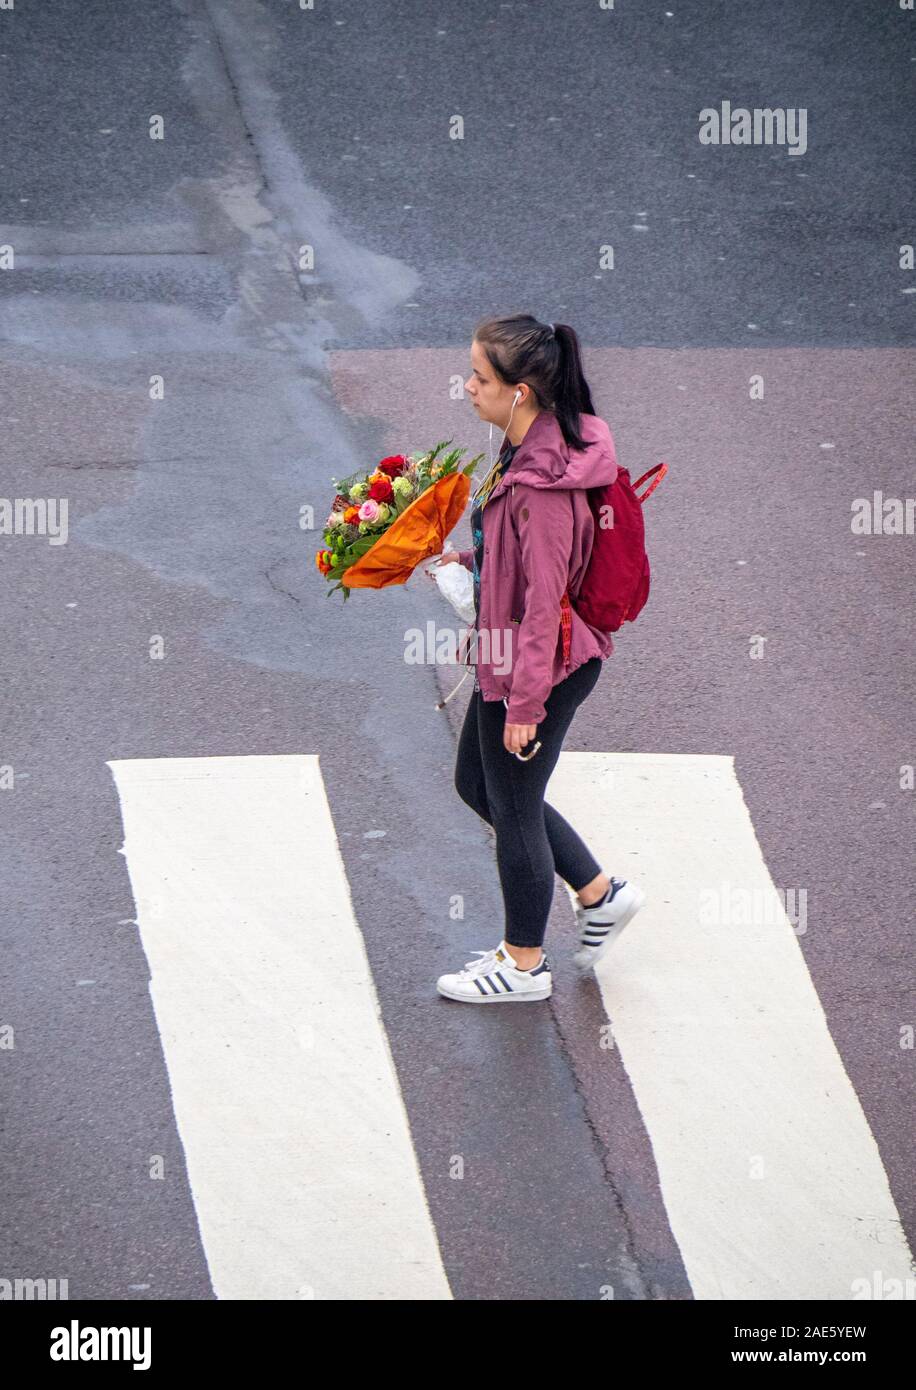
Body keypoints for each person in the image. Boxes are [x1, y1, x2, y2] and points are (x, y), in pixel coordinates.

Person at [426, 314, 645, 1003]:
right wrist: (462, 561)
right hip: (521, 653)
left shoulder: (541, 483)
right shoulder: (531, 448)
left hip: (542, 666)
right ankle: (600, 894)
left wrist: (526, 705)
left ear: (519, 392)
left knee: (514, 806)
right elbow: (518, 563)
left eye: (480, 377)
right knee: (478, 785)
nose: (467, 385)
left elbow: (546, 596)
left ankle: (523, 964)